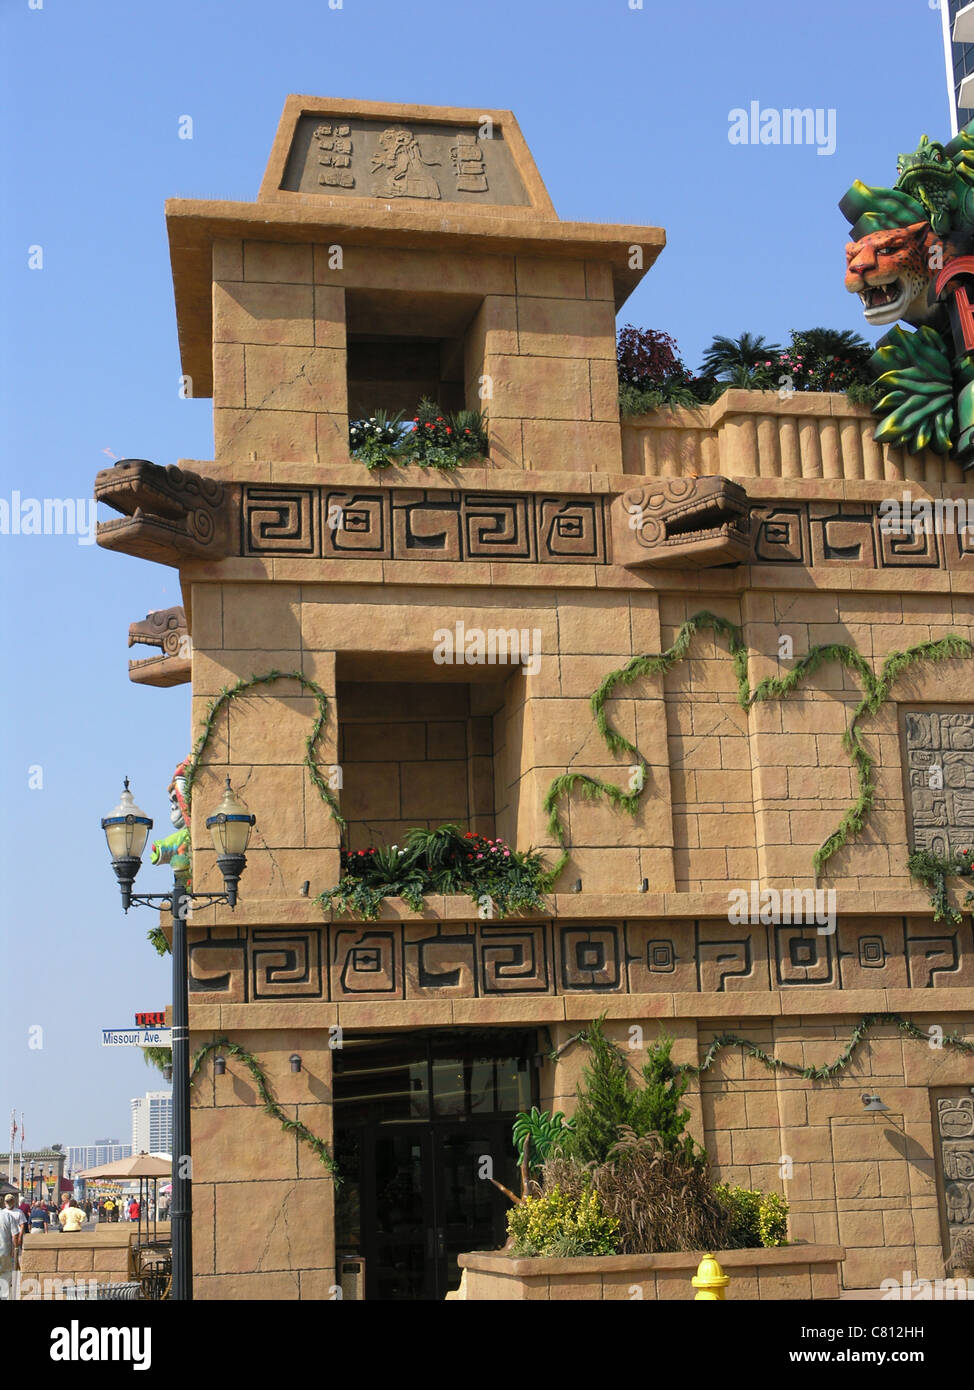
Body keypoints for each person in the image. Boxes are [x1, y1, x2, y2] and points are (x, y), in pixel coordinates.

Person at [0, 1195, 23, 1301]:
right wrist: (15, 1249)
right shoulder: (6, 1216)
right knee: (5, 1276)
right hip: (5, 1251)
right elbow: (15, 1235)